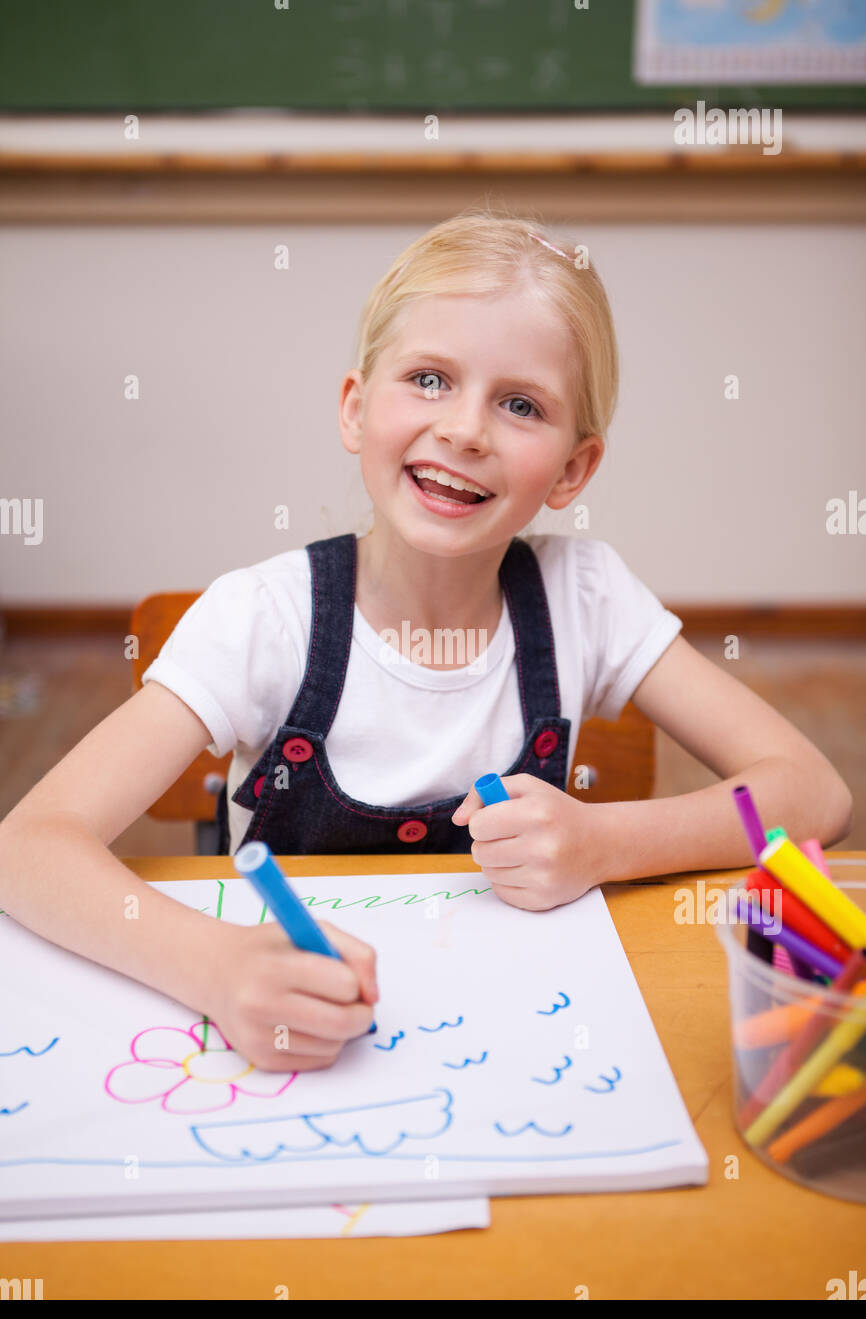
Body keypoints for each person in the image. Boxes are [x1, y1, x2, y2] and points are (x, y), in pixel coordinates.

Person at [0, 210, 852, 1073]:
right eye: (430, 379)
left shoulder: (585, 597)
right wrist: (215, 967)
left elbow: (811, 795)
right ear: (356, 407)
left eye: (520, 404)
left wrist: (608, 844)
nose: (467, 430)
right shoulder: (263, 619)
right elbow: (28, 848)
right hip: (288, 1049)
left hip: (516, 1046)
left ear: (572, 470)